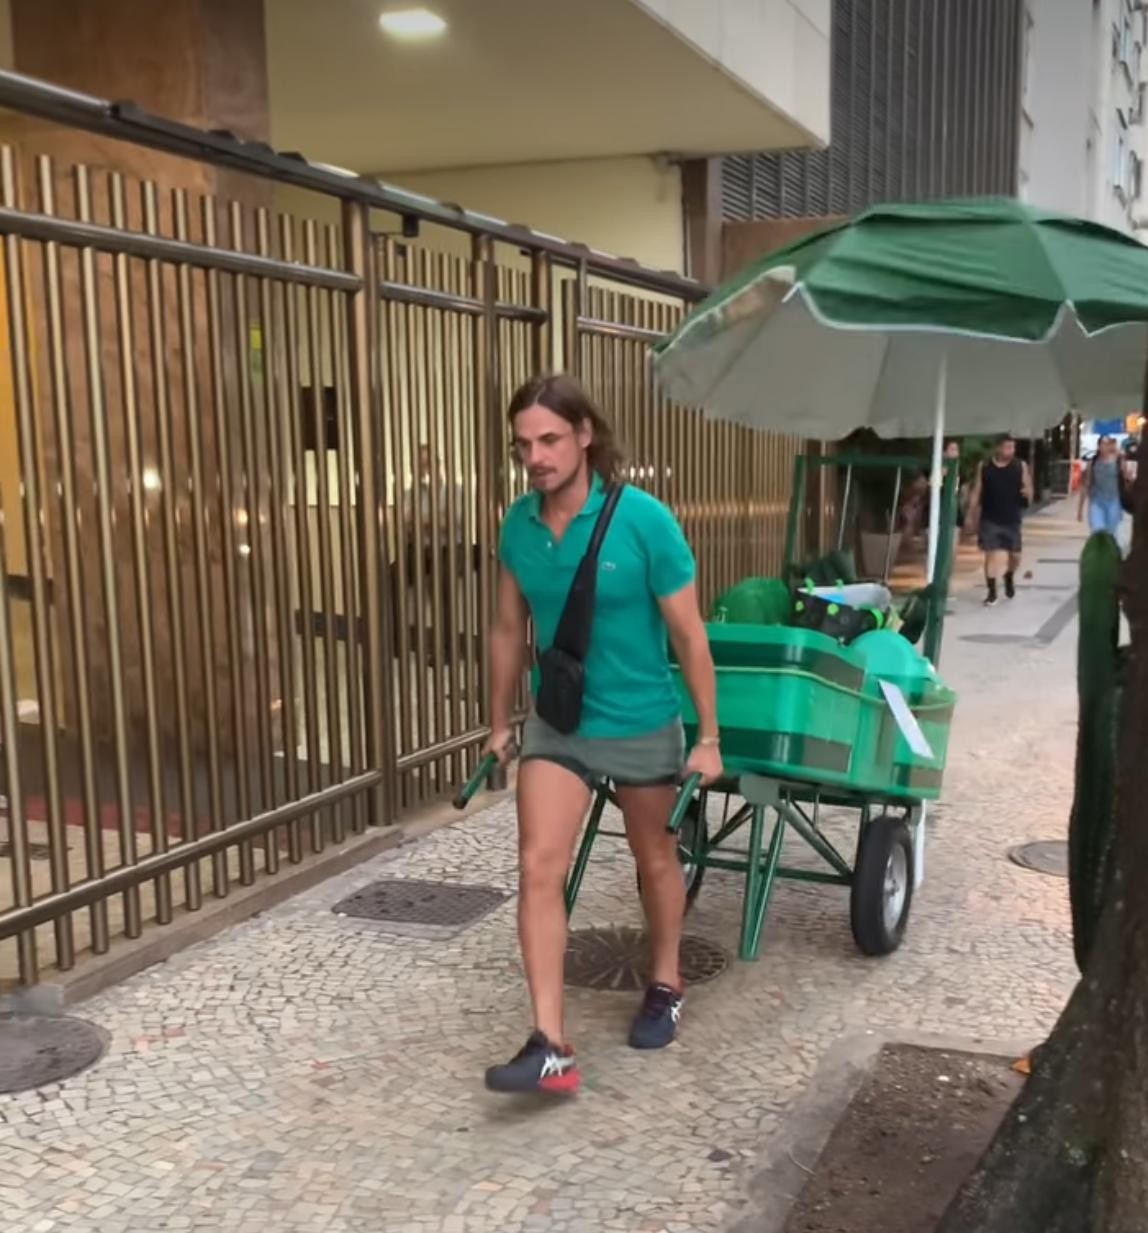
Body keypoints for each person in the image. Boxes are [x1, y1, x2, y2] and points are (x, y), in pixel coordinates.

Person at [482, 373, 722, 1095]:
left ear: (586, 435)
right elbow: (505, 627)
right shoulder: (518, 525)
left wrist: (707, 735)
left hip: (640, 716)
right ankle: (550, 1041)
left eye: (550, 439)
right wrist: (498, 722)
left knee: (654, 857)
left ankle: (666, 979)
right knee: (537, 865)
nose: (537, 456)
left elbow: (688, 632)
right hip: (559, 721)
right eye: (525, 443)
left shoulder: (644, 520)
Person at [967, 435, 1033, 607]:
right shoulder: (985, 467)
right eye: (1007, 447)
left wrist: (1028, 495)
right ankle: (992, 592)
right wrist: (970, 513)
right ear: (998, 448)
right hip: (990, 517)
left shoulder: (1020, 466)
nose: (1010, 451)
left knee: (1016, 556)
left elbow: (1028, 487)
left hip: (1012, 518)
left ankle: (1009, 575)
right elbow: (977, 490)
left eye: (1013, 447)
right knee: (991, 555)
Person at [1078, 435, 1127, 537]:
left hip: (1114, 502)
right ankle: (1098, 551)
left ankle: (1109, 552)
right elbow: (1086, 484)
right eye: (1103, 444)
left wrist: (1122, 458)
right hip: (1097, 502)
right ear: (1099, 446)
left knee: (1110, 534)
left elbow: (1127, 478)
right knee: (1098, 531)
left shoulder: (1118, 461)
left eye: (1107, 444)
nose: (1105, 447)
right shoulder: (1093, 462)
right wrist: (1080, 509)